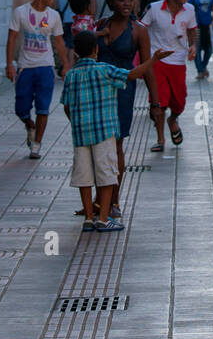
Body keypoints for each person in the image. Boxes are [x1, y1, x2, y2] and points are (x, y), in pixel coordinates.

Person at [63, 30, 171, 232]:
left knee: (84, 177)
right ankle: (103, 219)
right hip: (104, 133)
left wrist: (77, 122)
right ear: (96, 50)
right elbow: (132, 74)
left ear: (76, 52)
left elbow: (67, 106)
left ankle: (88, 218)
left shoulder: (71, 76)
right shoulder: (105, 70)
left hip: (81, 135)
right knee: (106, 176)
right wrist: (154, 59)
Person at [94, 0, 157, 219]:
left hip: (122, 91)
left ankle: (115, 199)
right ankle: (99, 199)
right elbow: (85, 50)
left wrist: (155, 101)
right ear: (111, 2)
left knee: (116, 145)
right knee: (98, 146)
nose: (127, 4)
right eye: (121, 0)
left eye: (130, 0)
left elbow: (147, 66)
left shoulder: (138, 30)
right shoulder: (101, 25)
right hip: (98, 92)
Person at [6, 0, 69, 159]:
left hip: (45, 67)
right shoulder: (21, 12)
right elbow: (11, 38)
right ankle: (29, 125)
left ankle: (37, 143)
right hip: (25, 67)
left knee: (43, 108)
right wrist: (10, 64)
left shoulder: (54, 16)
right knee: (21, 108)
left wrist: (65, 65)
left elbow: (58, 41)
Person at [143, 0, 197, 151]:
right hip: (157, 61)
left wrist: (193, 46)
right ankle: (160, 140)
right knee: (159, 103)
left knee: (179, 102)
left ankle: (172, 120)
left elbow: (192, 30)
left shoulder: (189, 9)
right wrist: (145, 57)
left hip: (178, 62)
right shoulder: (154, 8)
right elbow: (142, 29)